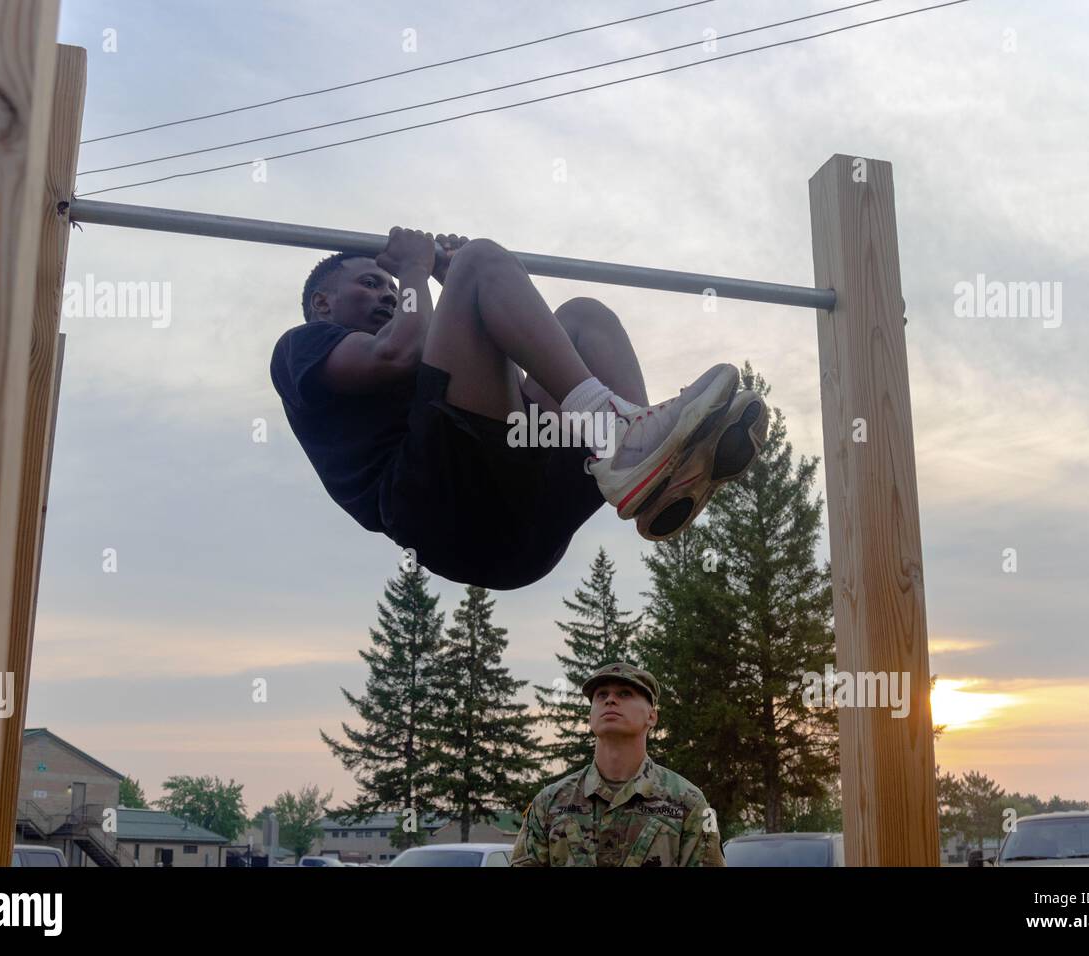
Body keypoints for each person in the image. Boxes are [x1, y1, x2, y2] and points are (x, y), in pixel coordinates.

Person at [270, 227, 769, 590]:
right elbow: (399, 351)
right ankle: (623, 439)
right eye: (370, 284)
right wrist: (418, 272)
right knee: (483, 260)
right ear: (322, 303)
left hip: (525, 530)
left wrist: (449, 281)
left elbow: (465, 349)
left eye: (389, 284)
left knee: (582, 318)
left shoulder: (417, 336)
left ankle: (646, 469)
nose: (386, 292)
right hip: (443, 511)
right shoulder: (303, 347)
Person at [510, 662, 725, 867]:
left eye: (625, 693)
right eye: (601, 694)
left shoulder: (689, 802)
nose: (610, 699)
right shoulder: (548, 803)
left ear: (652, 716)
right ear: (590, 716)